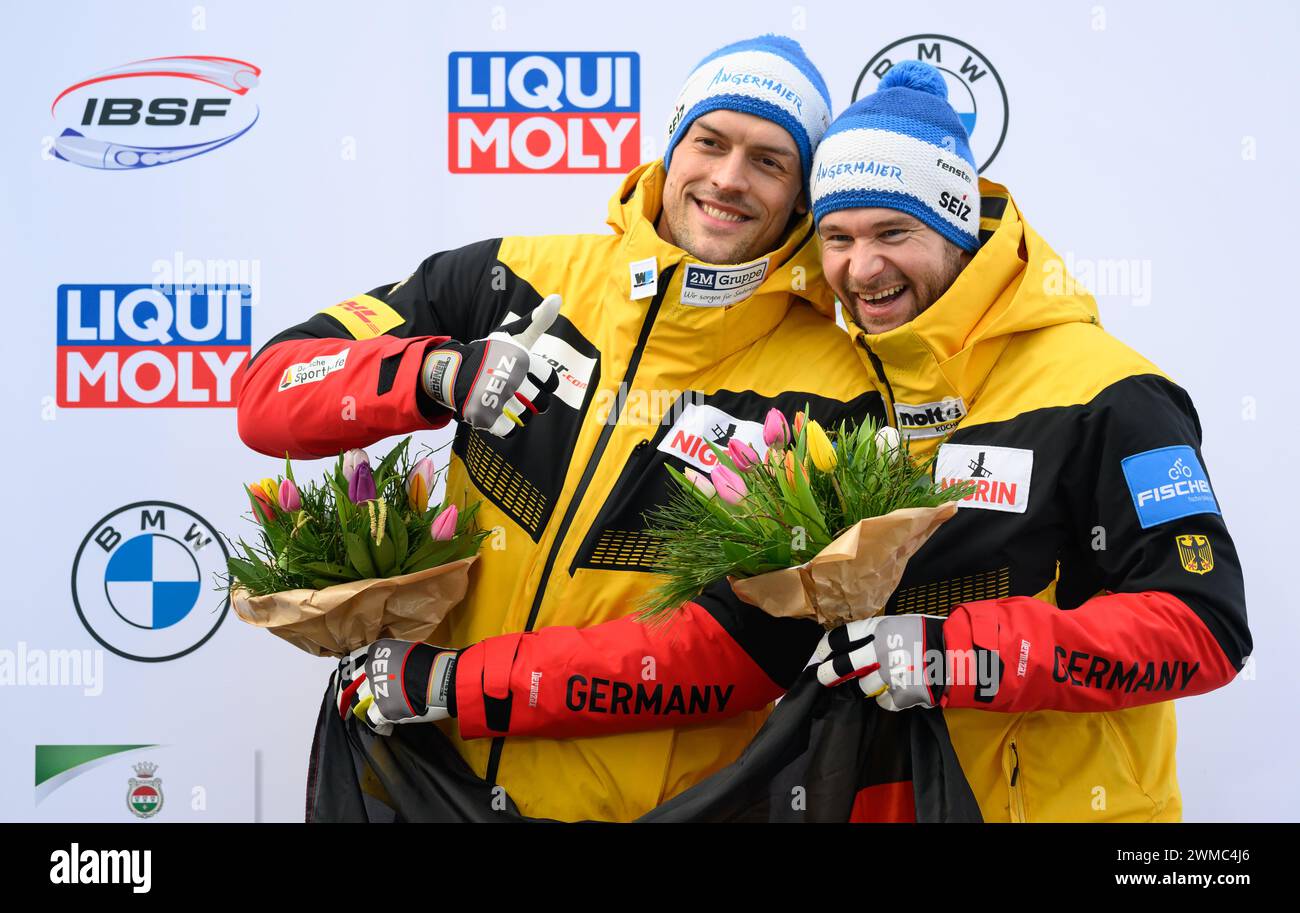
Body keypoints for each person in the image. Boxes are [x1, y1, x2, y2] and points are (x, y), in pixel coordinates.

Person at [237, 35, 885, 822]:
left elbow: (744, 651)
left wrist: (457, 683)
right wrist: (435, 373)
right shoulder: (510, 272)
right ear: (672, 149)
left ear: (801, 197)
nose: (728, 178)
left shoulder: (837, 388)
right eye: (709, 142)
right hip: (423, 769)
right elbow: (269, 386)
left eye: (769, 161)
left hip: (642, 805)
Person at [805, 61, 1251, 821]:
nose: (861, 266)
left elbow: (1205, 626)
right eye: (836, 237)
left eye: (892, 231)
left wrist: (960, 655)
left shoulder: (1110, 391)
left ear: (955, 229)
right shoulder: (840, 390)